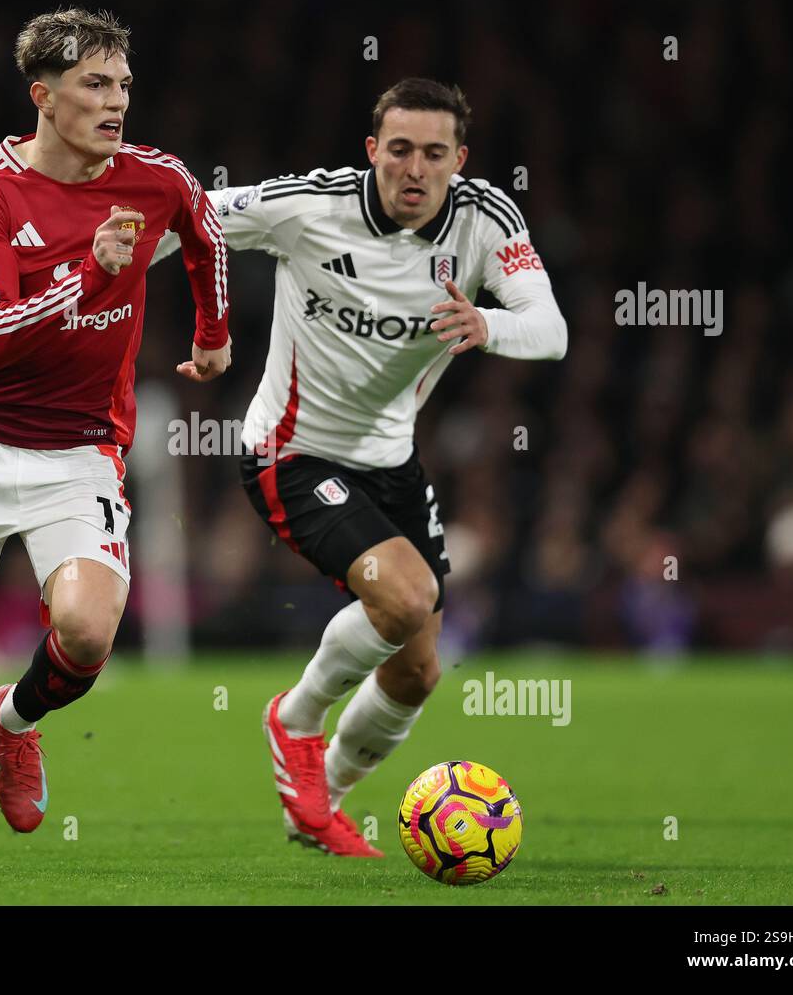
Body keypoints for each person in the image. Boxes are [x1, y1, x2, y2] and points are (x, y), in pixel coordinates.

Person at [153, 77, 565, 856]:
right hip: (291, 451)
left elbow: (550, 329)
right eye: (400, 149)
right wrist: (107, 260)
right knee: (408, 598)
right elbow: (190, 216)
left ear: (459, 159)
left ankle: (319, 802)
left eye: (434, 154)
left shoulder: (485, 220)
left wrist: (489, 324)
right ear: (372, 150)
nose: (415, 169)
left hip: (392, 463)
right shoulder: (310, 205)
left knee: (417, 674)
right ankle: (296, 718)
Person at [0, 7, 232, 869]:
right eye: (95, 85)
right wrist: (93, 270)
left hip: (80, 449)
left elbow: (206, 233)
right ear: (44, 96)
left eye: (124, 86)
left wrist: (213, 335)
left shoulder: (155, 178)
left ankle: (14, 720)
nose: (117, 103)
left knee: (89, 632)